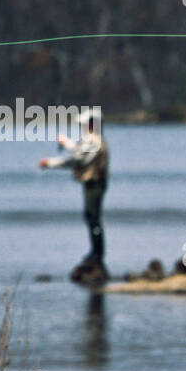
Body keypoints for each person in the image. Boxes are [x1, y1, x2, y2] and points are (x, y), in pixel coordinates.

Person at [39, 108, 109, 281]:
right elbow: (75, 160)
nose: (82, 127)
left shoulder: (94, 140)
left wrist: (66, 143)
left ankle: (97, 255)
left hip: (95, 184)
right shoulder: (90, 140)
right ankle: (95, 254)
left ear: (92, 124)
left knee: (93, 217)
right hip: (90, 184)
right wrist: (51, 163)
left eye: (84, 124)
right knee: (90, 217)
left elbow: (78, 156)